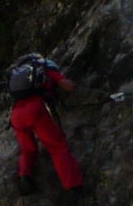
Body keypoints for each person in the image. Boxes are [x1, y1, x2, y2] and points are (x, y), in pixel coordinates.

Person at [8, 53, 83, 194]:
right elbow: (66, 86)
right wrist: (72, 85)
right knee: (57, 146)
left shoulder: (18, 78)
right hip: (35, 110)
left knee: (27, 149)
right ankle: (73, 185)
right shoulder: (45, 69)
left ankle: (24, 175)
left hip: (16, 115)